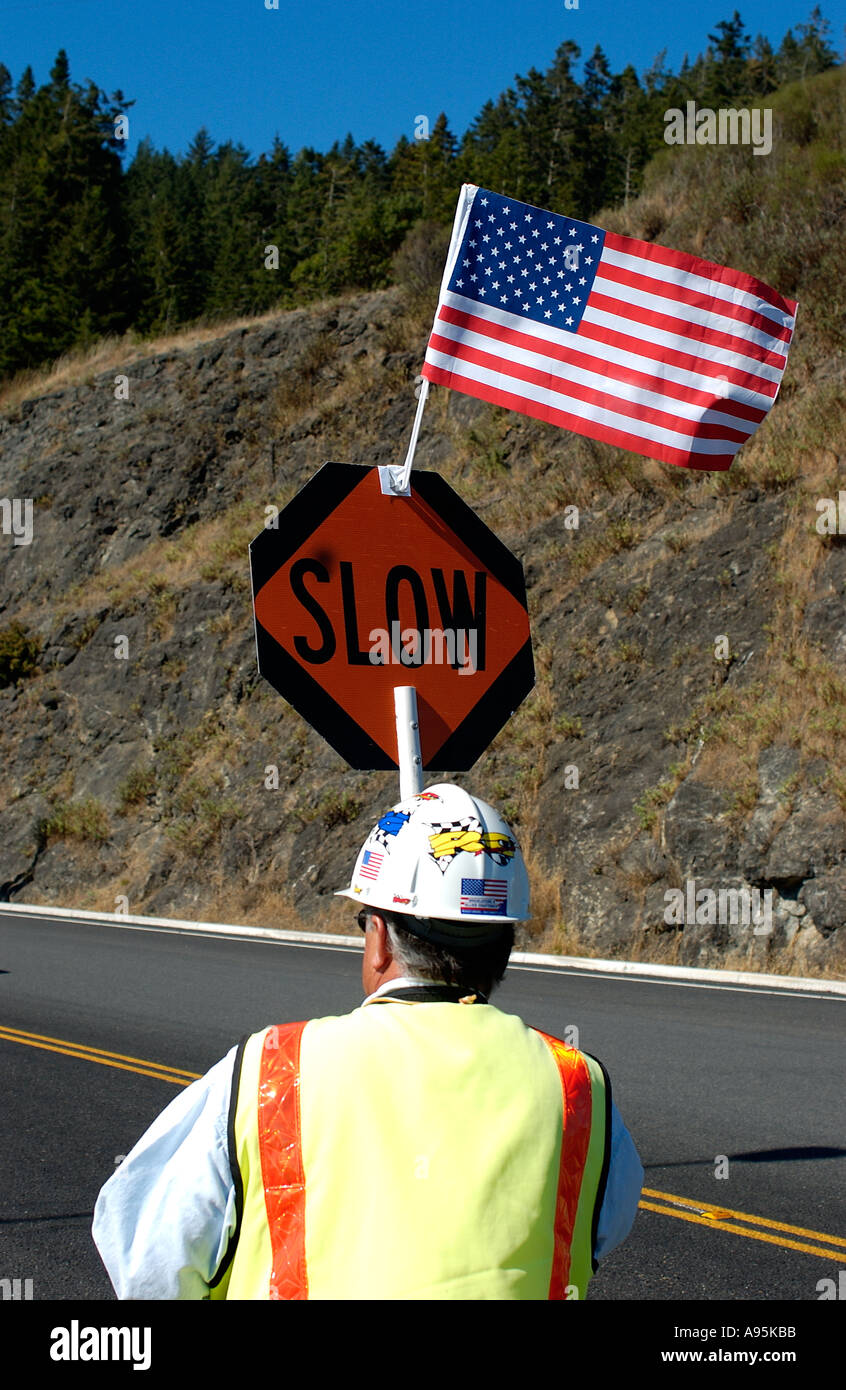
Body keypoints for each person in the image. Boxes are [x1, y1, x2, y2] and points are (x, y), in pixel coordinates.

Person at [92, 783, 642, 1300]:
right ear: (504, 948)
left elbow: (149, 1254)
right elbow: (597, 1229)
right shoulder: (578, 1085)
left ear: (378, 939)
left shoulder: (273, 1069)